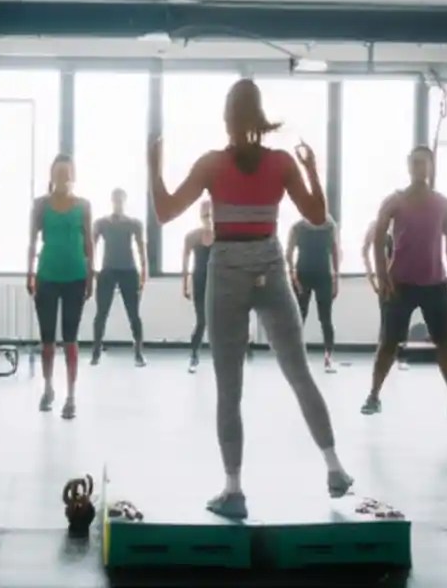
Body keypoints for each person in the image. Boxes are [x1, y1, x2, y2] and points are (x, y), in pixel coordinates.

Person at [150, 78, 352, 519]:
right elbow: (318, 216)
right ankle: (335, 468)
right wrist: (312, 169)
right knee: (299, 373)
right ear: (260, 118)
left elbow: (164, 212)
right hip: (269, 266)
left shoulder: (210, 164)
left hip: (226, 271)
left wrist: (154, 166)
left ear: (227, 119)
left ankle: (233, 490)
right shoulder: (280, 163)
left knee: (229, 388)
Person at [365, 147, 447, 421]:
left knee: (444, 343)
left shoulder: (443, 203)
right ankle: (374, 395)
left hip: (435, 283)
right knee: (388, 342)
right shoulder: (394, 201)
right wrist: (381, 275)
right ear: (409, 166)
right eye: (416, 163)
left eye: (425, 163)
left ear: (431, 167)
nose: (420, 167)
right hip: (400, 283)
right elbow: (376, 239)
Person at [27, 155, 93, 420]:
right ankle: (48, 388)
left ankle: (71, 396)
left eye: (67, 172)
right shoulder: (41, 205)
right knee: (47, 340)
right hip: (47, 276)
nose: (63, 176)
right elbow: (32, 240)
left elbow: (89, 242)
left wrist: (91, 276)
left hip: (75, 277)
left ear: (73, 176)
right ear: (52, 175)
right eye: (59, 172)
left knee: (70, 339)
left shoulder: (84, 205)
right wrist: (29, 273)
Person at [91, 188, 147, 367]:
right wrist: (91, 268)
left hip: (129, 270)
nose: (118, 203)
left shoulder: (133, 223)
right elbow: (91, 245)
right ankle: (96, 352)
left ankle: (138, 353)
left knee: (134, 314)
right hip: (108, 270)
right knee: (101, 313)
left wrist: (144, 271)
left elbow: (141, 248)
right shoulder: (101, 223)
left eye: (120, 200)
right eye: (115, 200)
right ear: (111, 201)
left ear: (124, 201)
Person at [287, 214, 340, 372]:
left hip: (324, 277)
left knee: (325, 318)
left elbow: (335, 252)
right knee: (299, 317)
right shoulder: (297, 228)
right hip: (302, 276)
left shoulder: (330, 226)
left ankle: (328, 357)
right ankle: (295, 357)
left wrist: (336, 278)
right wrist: (293, 276)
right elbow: (288, 253)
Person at [362, 220, 407, 371]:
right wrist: (372, 279)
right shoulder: (375, 227)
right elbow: (365, 252)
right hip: (384, 280)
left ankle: (400, 356)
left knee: (401, 317)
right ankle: (383, 357)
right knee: (386, 317)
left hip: (399, 279)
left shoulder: (397, 228)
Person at [182, 201, 214, 374]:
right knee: (202, 321)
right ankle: (194, 355)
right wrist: (184, 285)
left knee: (220, 322)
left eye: (210, 214)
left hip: (218, 282)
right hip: (200, 281)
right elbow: (185, 261)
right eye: (204, 215)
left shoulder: (222, 236)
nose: (207, 218)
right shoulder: (192, 236)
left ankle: (223, 358)